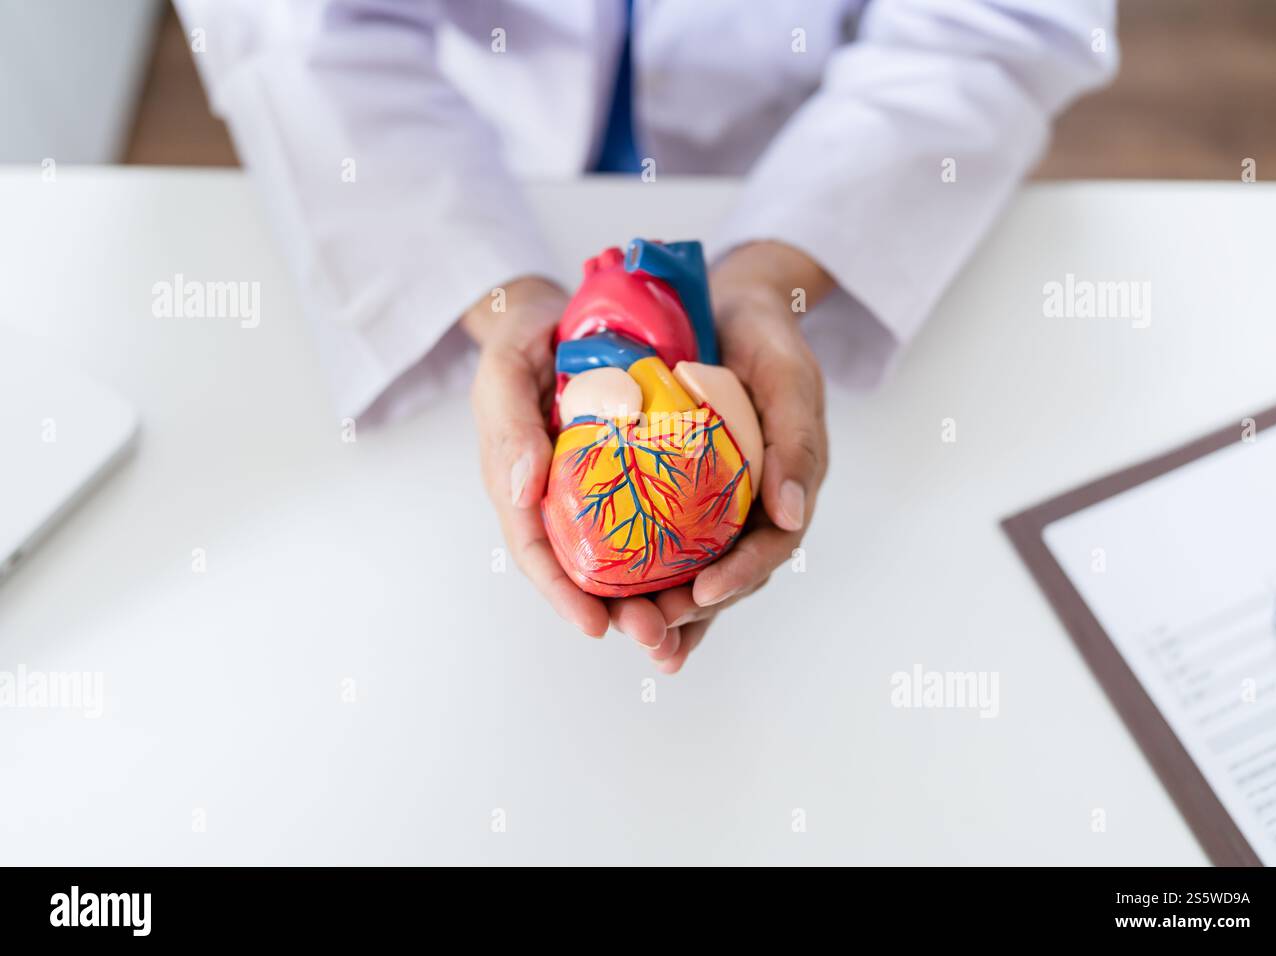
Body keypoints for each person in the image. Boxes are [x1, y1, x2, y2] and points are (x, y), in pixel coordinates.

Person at [176, 0, 1117, 672]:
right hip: (476, 143)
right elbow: (299, 27)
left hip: (809, 137)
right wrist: (492, 293)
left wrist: (777, 272)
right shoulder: (634, 388)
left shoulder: (632, 387)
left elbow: (995, 19)